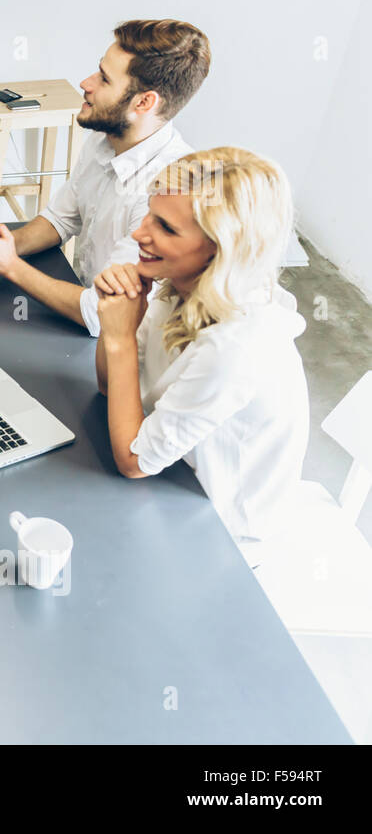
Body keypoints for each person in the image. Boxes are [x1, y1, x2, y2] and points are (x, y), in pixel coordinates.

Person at [92, 148, 308, 566]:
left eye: (166, 228)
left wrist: (119, 339)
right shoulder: (181, 285)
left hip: (221, 538)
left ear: (218, 250)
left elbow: (134, 461)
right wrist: (116, 322)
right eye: (150, 215)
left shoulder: (235, 348)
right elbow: (109, 387)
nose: (140, 234)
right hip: (176, 482)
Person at [0, 19, 211, 335]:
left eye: (104, 80)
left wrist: (9, 265)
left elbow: (100, 314)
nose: (86, 83)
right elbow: (61, 219)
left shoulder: (167, 195)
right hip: (81, 312)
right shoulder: (104, 138)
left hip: (124, 348)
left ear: (144, 102)